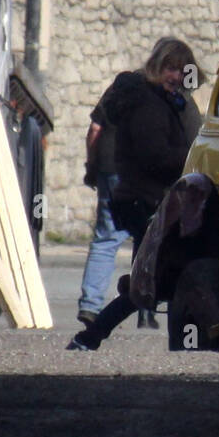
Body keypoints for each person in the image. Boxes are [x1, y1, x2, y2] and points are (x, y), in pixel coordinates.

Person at [67, 38, 203, 350]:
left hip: (142, 199)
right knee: (156, 276)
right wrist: (195, 157)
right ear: (157, 67)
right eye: (171, 69)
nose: (177, 77)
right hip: (146, 201)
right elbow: (154, 156)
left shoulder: (159, 99)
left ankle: (93, 335)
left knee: (154, 276)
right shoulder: (149, 104)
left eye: (183, 71)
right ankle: (92, 336)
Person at [75, 87, 130, 327]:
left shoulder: (118, 91)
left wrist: (91, 166)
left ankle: (90, 305)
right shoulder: (163, 95)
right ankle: (144, 304)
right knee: (148, 236)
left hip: (110, 170)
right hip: (142, 172)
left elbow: (95, 130)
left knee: (105, 239)